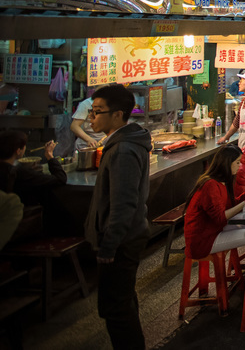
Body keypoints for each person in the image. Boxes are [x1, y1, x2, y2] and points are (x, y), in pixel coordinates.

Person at [83, 84, 151, 350]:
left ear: (118, 115)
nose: (92, 118)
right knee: (122, 302)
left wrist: (109, 245)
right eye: (92, 111)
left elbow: (123, 204)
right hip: (128, 235)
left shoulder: (123, 150)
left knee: (117, 310)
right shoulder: (124, 143)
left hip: (122, 240)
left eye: (98, 112)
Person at [184, 145, 245, 290]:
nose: (240, 166)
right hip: (203, 240)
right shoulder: (210, 185)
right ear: (226, 163)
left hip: (214, 230)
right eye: (237, 162)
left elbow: (229, 204)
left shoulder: (222, 182)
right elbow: (221, 218)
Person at [0, 132, 66, 233]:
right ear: (18, 151)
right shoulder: (20, 173)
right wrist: (49, 156)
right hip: (16, 228)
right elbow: (60, 179)